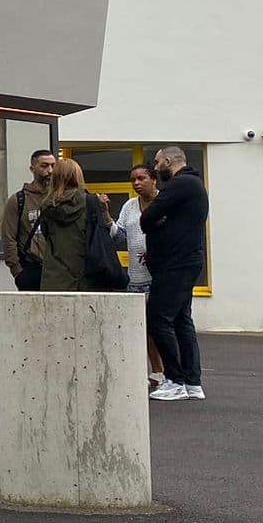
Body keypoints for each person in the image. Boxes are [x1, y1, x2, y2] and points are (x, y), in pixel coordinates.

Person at [141, 146, 209, 402]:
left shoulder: (179, 185)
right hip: (185, 261)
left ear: (168, 161)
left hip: (174, 263)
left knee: (158, 317)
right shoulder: (194, 185)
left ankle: (175, 379)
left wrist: (157, 220)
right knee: (181, 319)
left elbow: (146, 219)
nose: (155, 167)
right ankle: (192, 382)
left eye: (157, 163)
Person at [112, 164, 168, 385]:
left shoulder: (165, 202)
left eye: (141, 178)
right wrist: (107, 219)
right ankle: (156, 372)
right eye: (133, 179)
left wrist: (155, 252)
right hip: (136, 277)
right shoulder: (129, 206)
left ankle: (170, 372)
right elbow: (119, 237)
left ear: (153, 179)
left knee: (160, 326)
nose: (136, 183)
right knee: (141, 328)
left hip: (160, 274)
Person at [35, 160, 108, 292]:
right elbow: (102, 233)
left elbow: (46, 235)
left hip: (55, 275)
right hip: (86, 274)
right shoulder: (90, 201)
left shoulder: (46, 205)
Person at [0, 149, 57, 291]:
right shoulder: (19, 200)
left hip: (58, 270)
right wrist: (18, 272)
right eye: (44, 166)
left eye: (53, 166)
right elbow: (9, 237)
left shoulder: (60, 198)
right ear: (32, 168)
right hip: (31, 268)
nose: (50, 171)